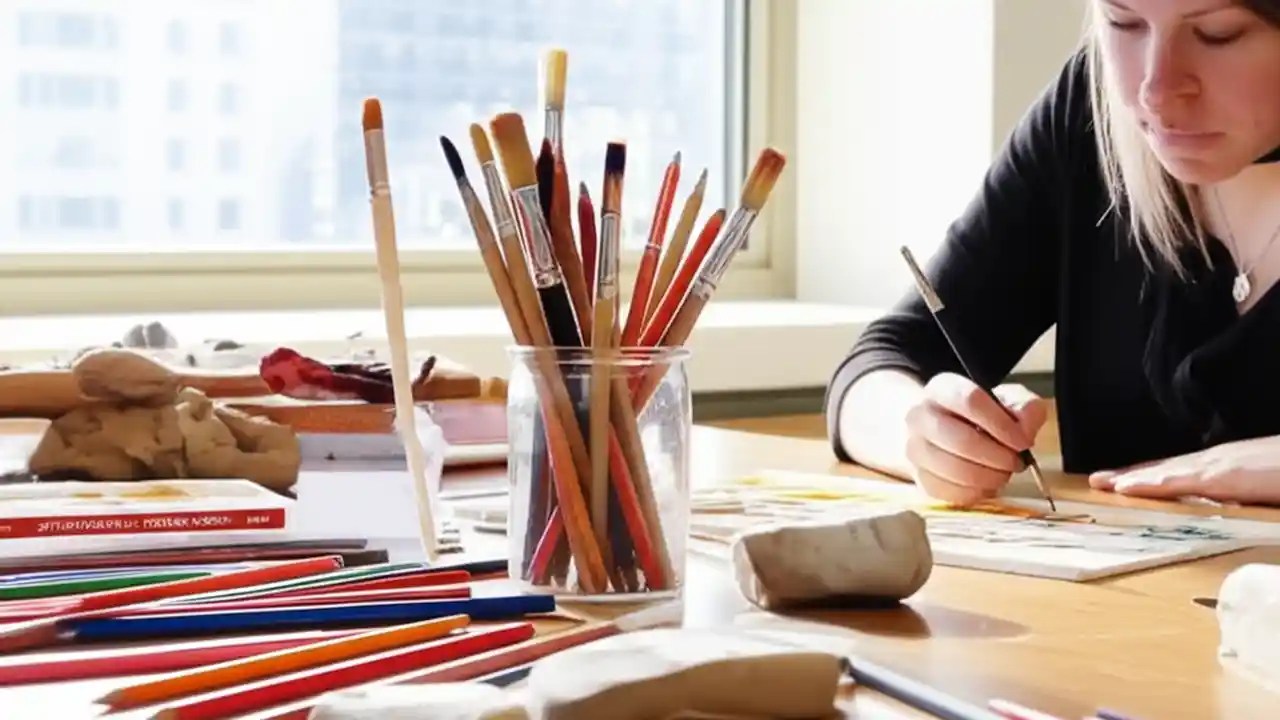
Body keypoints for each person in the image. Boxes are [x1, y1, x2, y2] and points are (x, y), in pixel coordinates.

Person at [824, 0, 1280, 507]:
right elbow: (886, 359)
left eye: (1219, 34)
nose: (1156, 91)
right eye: (1122, 23)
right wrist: (922, 438)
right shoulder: (1088, 111)